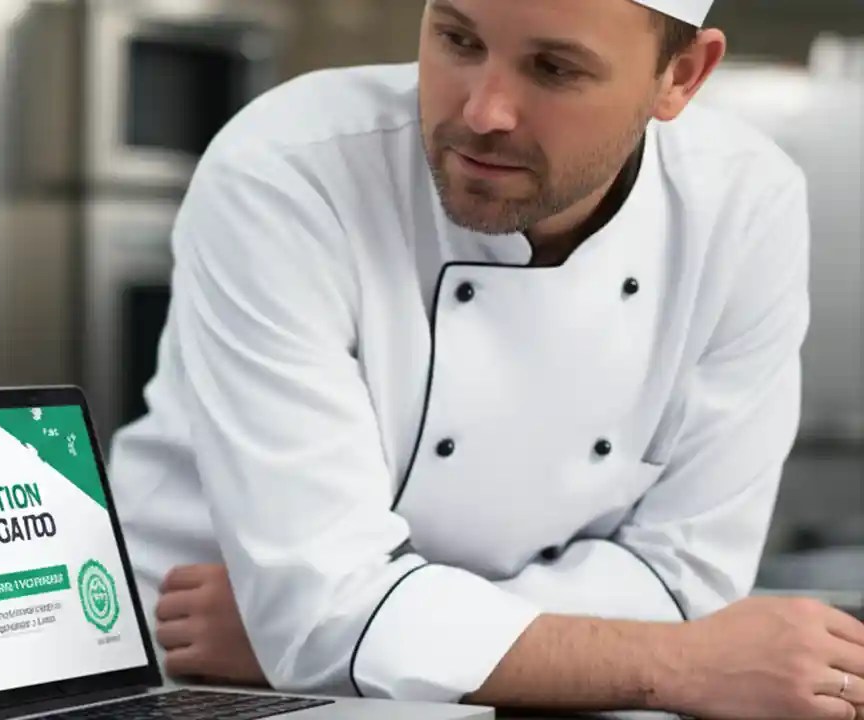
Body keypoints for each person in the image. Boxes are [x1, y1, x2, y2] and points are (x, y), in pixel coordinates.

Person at [107, 0, 864, 717]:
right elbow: (325, 621)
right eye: (459, 41)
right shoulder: (290, 168)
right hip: (204, 689)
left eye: (555, 69)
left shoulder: (743, 205)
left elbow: (683, 584)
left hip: (332, 668)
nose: (482, 113)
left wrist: (359, 634)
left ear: (682, 77)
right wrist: (680, 663)